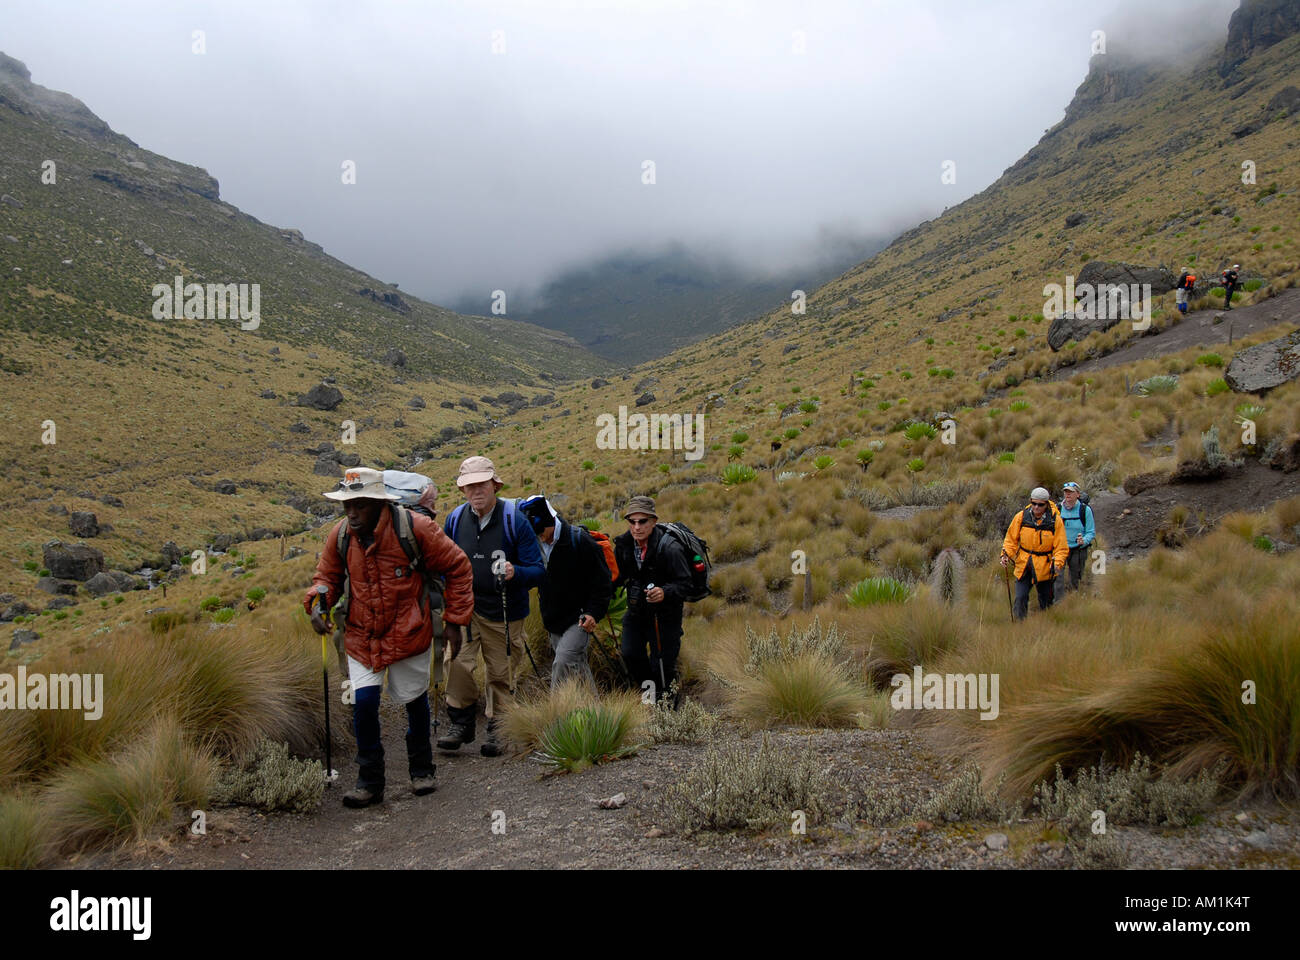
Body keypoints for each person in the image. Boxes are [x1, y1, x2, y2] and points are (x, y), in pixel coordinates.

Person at [306, 467, 474, 808]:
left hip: (408, 631)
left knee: (414, 701)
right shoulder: (340, 535)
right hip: (361, 635)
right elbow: (327, 576)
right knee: (364, 704)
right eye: (346, 505)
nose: (351, 513)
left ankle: (421, 769)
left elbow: (458, 566)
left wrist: (455, 621)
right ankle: (369, 780)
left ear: (378, 503)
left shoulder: (415, 529)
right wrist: (317, 600)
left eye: (359, 505)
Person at [438, 456, 545, 757]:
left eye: (481, 484)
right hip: (465, 609)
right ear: (462, 490)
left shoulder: (515, 520)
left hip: (505, 611)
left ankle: (498, 727)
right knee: (455, 661)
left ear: (495, 484)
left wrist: (515, 572)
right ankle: (461, 722)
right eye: (469, 486)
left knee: (500, 672)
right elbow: (446, 563)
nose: (476, 491)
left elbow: (538, 570)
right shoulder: (456, 520)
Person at [518, 496, 612, 689]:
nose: (540, 536)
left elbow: (602, 582)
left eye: (542, 531)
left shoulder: (579, 540)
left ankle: (555, 714)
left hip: (579, 619)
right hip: (553, 620)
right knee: (577, 666)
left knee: (562, 662)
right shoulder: (535, 545)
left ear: (551, 521)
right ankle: (595, 712)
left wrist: (593, 612)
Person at [612, 496, 692, 702]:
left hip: (665, 615)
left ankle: (669, 709)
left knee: (662, 663)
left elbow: (685, 584)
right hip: (636, 611)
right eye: (632, 521)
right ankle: (650, 698)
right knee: (630, 654)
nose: (636, 527)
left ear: (654, 521)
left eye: (642, 521)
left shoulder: (670, 548)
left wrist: (664, 592)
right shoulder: (623, 546)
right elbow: (618, 577)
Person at [1000, 486, 1069, 621]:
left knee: (1046, 600)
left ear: (1046, 504)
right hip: (1024, 564)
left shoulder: (1055, 521)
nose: (1036, 507)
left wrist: (1058, 562)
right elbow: (1011, 540)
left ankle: (1046, 626)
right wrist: (1005, 555)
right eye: (1034, 503)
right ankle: (1019, 625)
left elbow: (1061, 547)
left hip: (1046, 567)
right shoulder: (1021, 517)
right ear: (1031, 501)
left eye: (1040, 504)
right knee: (1020, 597)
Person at [1057, 481, 1095, 593]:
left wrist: (1084, 541)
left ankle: (1073, 599)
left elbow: (1091, 532)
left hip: (1078, 549)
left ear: (1078, 494)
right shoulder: (1057, 509)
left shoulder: (1085, 510)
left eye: (1071, 492)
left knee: (1075, 578)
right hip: (1060, 549)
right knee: (1057, 577)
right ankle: (1058, 601)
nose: (1067, 494)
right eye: (1066, 492)